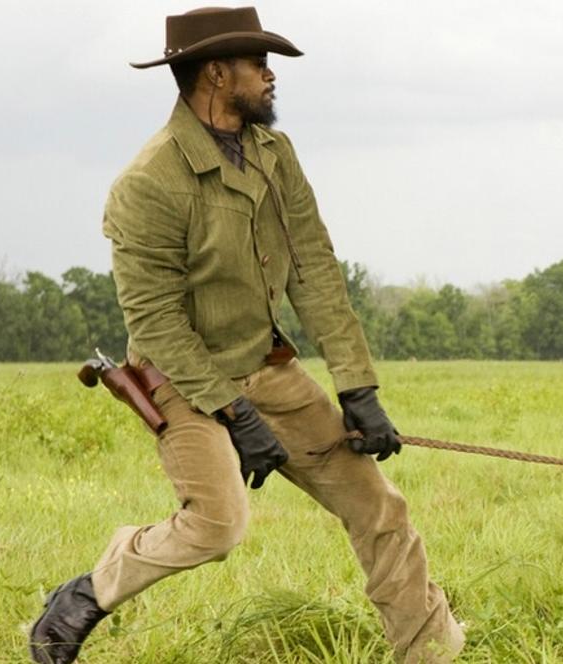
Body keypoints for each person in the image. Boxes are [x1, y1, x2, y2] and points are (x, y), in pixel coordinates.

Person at [29, 8, 463, 663]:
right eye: (257, 64)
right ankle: (89, 591)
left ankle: (433, 652)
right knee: (217, 526)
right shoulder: (146, 184)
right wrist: (233, 412)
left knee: (380, 509)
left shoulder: (273, 153)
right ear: (214, 73)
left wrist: (357, 387)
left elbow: (314, 267)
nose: (269, 76)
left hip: (270, 370)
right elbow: (155, 324)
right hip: (184, 382)